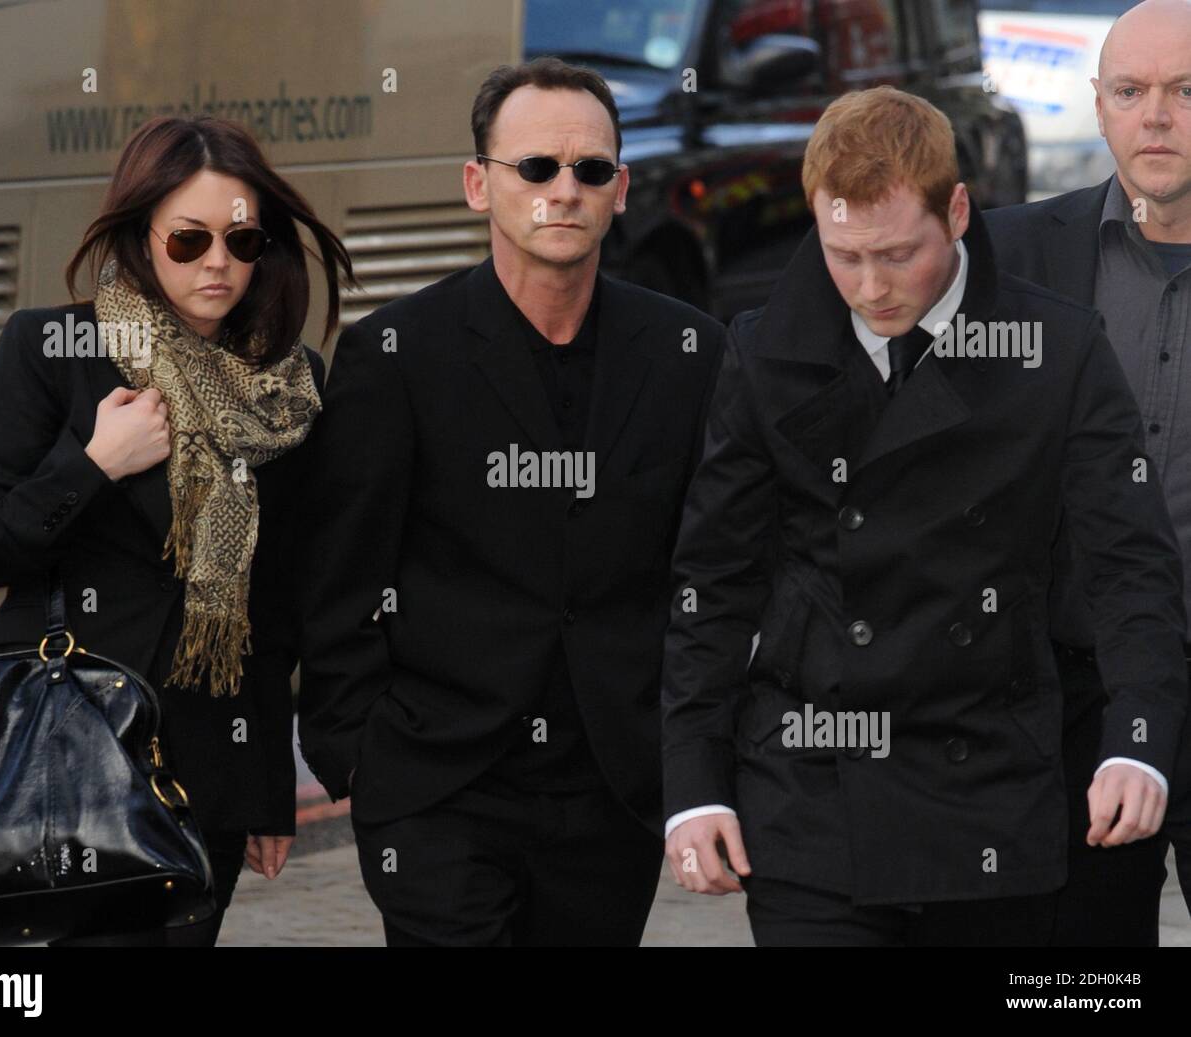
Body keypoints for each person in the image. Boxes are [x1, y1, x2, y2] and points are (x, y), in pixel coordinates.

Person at [661, 86, 1189, 947]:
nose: (871, 287)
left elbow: (1130, 561)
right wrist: (695, 784)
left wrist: (1137, 737)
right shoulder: (763, 350)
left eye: (899, 254)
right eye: (843, 255)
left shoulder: (1056, 348)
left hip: (989, 788)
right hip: (812, 796)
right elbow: (711, 582)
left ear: (955, 210)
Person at [297, 57, 724, 946]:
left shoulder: (688, 352)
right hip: (438, 787)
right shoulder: (395, 356)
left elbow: (713, 565)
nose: (563, 191)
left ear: (620, 190)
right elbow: (342, 571)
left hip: (611, 791)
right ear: (476, 185)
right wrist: (358, 760)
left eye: (590, 170)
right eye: (535, 168)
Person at [0, 114, 352, 946]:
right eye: (189, 240)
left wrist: (266, 786)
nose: (218, 262)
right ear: (142, 235)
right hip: (53, 752)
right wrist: (95, 463)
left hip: (203, 776)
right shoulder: (51, 349)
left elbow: (279, 603)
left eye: (242, 241)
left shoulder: (291, 388)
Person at [984, 0, 1191, 944]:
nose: (1156, 116)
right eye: (1131, 91)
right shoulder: (1008, 256)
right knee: (1082, 985)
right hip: (1072, 700)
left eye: (1188, 92)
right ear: (1099, 105)